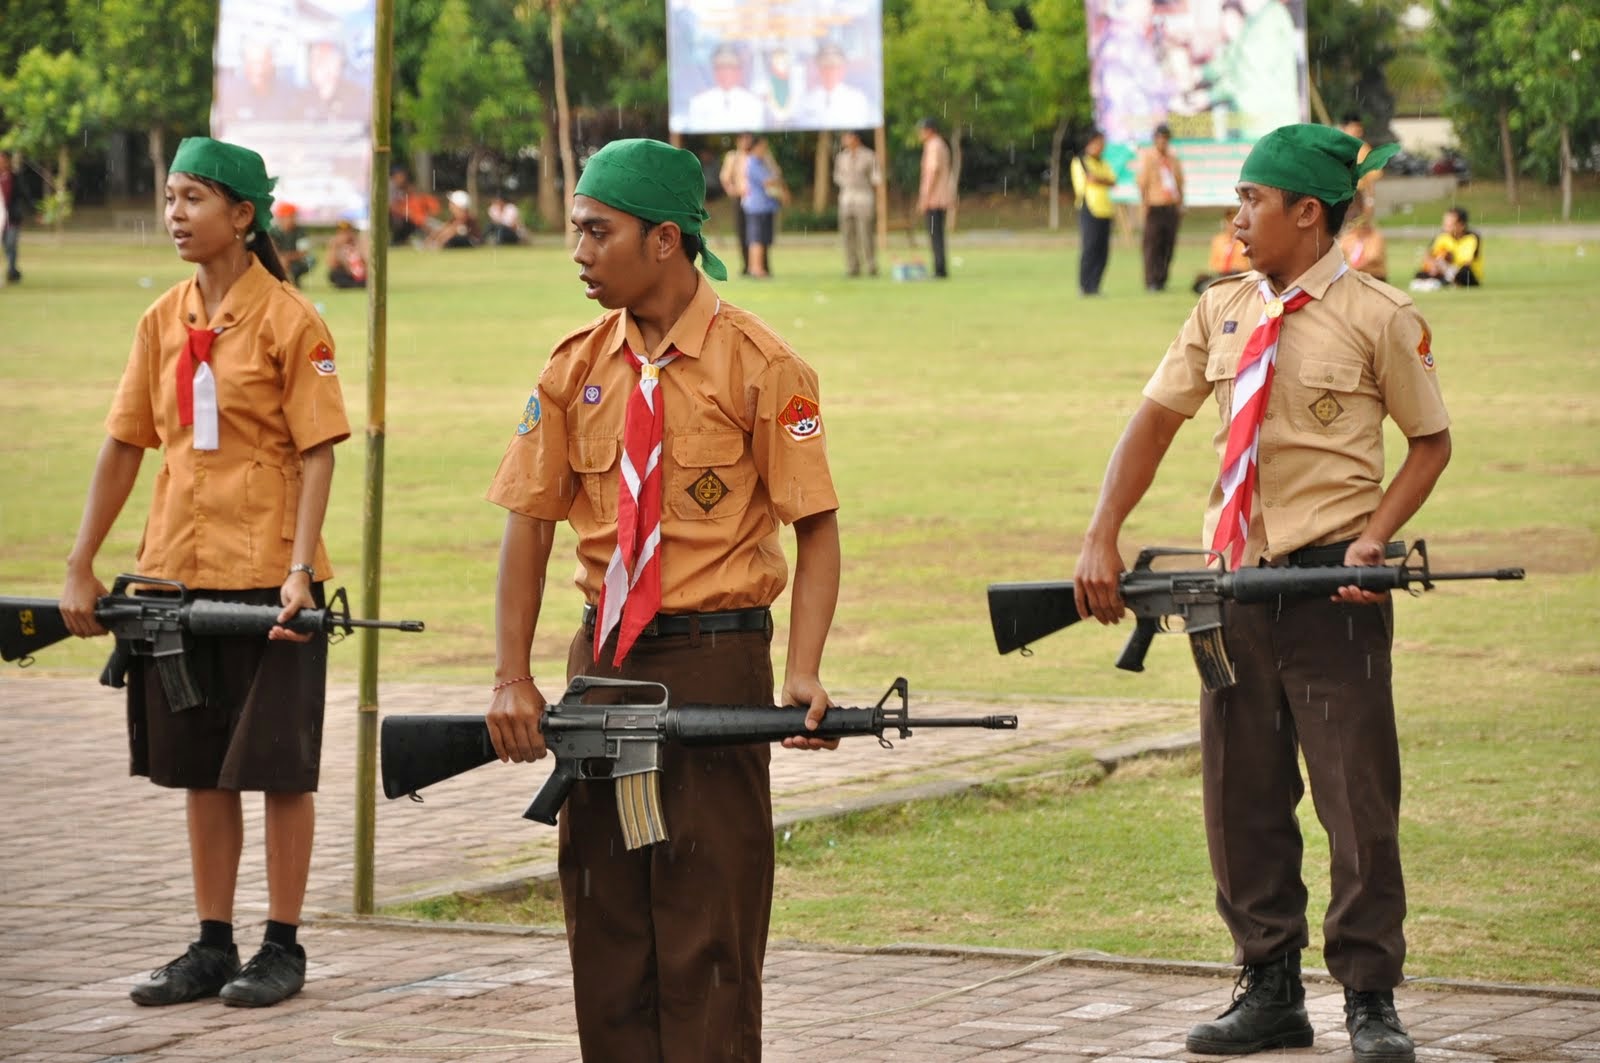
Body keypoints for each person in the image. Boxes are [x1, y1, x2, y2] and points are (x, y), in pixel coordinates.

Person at [1073, 124, 1448, 1063]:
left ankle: (1370, 996)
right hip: (1232, 587)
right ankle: (1270, 985)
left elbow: (1430, 441)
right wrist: (1101, 530)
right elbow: (1153, 422)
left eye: (1252, 201)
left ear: (1307, 213)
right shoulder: (1221, 309)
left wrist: (1374, 536)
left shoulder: (1381, 316)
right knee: (1240, 796)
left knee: (1356, 799)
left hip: (1334, 590)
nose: (1236, 217)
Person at [484, 137, 841, 1062]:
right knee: (604, 919)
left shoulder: (761, 365)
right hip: (603, 663)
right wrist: (511, 674)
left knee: (709, 922)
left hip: (714, 661)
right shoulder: (573, 368)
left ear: (665, 240)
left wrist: (803, 669)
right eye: (576, 231)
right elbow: (528, 523)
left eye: (598, 232)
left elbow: (816, 525)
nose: (579, 252)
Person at [58, 136, 350, 1010]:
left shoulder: (292, 321)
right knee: (200, 765)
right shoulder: (162, 321)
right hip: (176, 576)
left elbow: (320, 451)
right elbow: (125, 443)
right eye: (170, 197)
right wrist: (81, 561)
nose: (175, 214)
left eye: (193, 199)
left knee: (279, 766)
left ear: (243, 215)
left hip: (272, 580)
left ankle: (282, 944)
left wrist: (299, 570)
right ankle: (213, 942)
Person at [1137, 123, 1185, 291]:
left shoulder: (1173, 160)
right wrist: (1144, 204)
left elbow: (1180, 183)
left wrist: (1181, 203)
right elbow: (1142, 183)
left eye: (1165, 139)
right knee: (1152, 245)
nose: (1163, 142)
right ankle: (1151, 280)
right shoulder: (1148, 158)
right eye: (1160, 139)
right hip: (1155, 205)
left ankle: (1162, 279)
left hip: (1171, 205)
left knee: (1168, 244)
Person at [1071, 129, 1117, 295]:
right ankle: (1085, 286)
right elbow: (1090, 179)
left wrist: (1100, 179)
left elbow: (1112, 180)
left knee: (1103, 251)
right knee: (1090, 247)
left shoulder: (1102, 162)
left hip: (1106, 209)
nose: (1102, 146)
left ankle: (1095, 286)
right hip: (1090, 208)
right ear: (1091, 142)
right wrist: (1101, 180)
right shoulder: (1081, 160)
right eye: (1100, 142)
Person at [685, 44, 764, 133]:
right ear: (714, 71)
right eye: (720, 67)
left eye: (730, 67)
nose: (725, 73)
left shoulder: (754, 104)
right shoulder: (698, 103)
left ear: (739, 71)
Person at [833, 130, 880, 277]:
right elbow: (837, 176)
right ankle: (852, 266)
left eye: (847, 137)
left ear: (855, 138)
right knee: (848, 234)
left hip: (863, 197)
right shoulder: (841, 157)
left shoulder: (869, 155)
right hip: (846, 198)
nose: (845, 141)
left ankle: (871, 265)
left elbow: (876, 177)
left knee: (866, 233)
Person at [798, 42, 874, 129]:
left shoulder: (857, 99)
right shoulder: (806, 100)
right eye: (825, 67)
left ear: (843, 70)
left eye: (834, 67)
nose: (829, 72)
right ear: (819, 70)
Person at [741, 136, 786, 279]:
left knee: (761, 238)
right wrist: (777, 176)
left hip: (763, 206)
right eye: (763, 147)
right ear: (756, 147)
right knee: (757, 238)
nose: (765, 150)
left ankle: (756, 267)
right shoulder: (753, 163)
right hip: (758, 206)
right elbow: (768, 181)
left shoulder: (760, 162)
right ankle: (756, 268)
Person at [916, 117, 953, 279]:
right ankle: (940, 267)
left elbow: (932, 171)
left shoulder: (933, 145)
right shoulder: (941, 144)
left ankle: (939, 269)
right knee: (937, 234)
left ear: (929, 130)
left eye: (921, 130)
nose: (920, 134)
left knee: (935, 235)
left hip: (934, 199)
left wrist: (925, 197)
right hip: (940, 197)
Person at [1412, 207, 1482, 289]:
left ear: (1461, 225)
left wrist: (1446, 264)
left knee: (1465, 272)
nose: (1445, 227)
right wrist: (1434, 265)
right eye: (1445, 224)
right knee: (1421, 273)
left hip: (1462, 272)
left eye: (1450, 225)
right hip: (1444, 269)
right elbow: (1429, 254)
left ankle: (1442, 282)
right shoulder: (1442, 236)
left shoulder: (1471, 238)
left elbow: (1467, 262)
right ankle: (1442, 282)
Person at [1192, 208, 1252, 293]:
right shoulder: (1218, 240)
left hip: (1238, 275)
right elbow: (1213, 264)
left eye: (1234, 222)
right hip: (1221, 275)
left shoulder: (1247, 241)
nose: (1232, 225)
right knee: (1200, 282)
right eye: (1229, 222)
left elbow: (1250, 267)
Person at [718, 133, 753, 276]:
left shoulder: (756, 155)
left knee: (757, 232)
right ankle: (746, 264)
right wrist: (732, 190)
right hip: (740, 197)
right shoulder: (733, 156)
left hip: (755, 198)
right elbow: (725, 177)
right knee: (742, 231)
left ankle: (759, 264)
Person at [1340, 113, 1381, 223]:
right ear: (1343, 128)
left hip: (1356, 198)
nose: (1358, 132)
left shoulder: (1363, 150)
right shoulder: (1332, 148)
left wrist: (1370, 201)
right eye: (1354, 128)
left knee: (1356, 228)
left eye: (1359, 128)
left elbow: (1371, 178)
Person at [269, 203, 313, 288]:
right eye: (289, 216)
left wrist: (286, 258)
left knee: (310, 260)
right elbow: (271, 249)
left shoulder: (301, 231)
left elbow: (303, 252)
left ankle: (293, 279)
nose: (292, 219)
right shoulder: (273, 232)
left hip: (295, 261)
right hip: (277, 260)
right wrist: (280, 259)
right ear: (281, 218)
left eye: (293, 216)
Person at [0, 149, 26, 284]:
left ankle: (11, 270)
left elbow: (24, 195)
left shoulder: (15, 177)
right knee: (6, 245)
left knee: (11, 243)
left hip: (12, 217)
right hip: (1, 218)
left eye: (3, 160)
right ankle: (13, 270)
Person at [1340, 213, 1388, 282]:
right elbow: (1340, 250)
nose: (1363, 228)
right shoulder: (1350, 238)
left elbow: (1373, 257)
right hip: (1354, 276)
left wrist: (1355, 267)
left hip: (1373, 276)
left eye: (1364, 225)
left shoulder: (1375, 237)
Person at [325, 220, 368, 288]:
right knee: (334, 274)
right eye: (342, 231)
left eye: (347, 231)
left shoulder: (359, 242)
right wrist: (336, 246)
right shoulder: (335, 243)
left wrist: (357, 246)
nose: (345, 233)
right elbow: (332, 264)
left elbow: (366, 260)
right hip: (345, 272)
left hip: (359, 272)